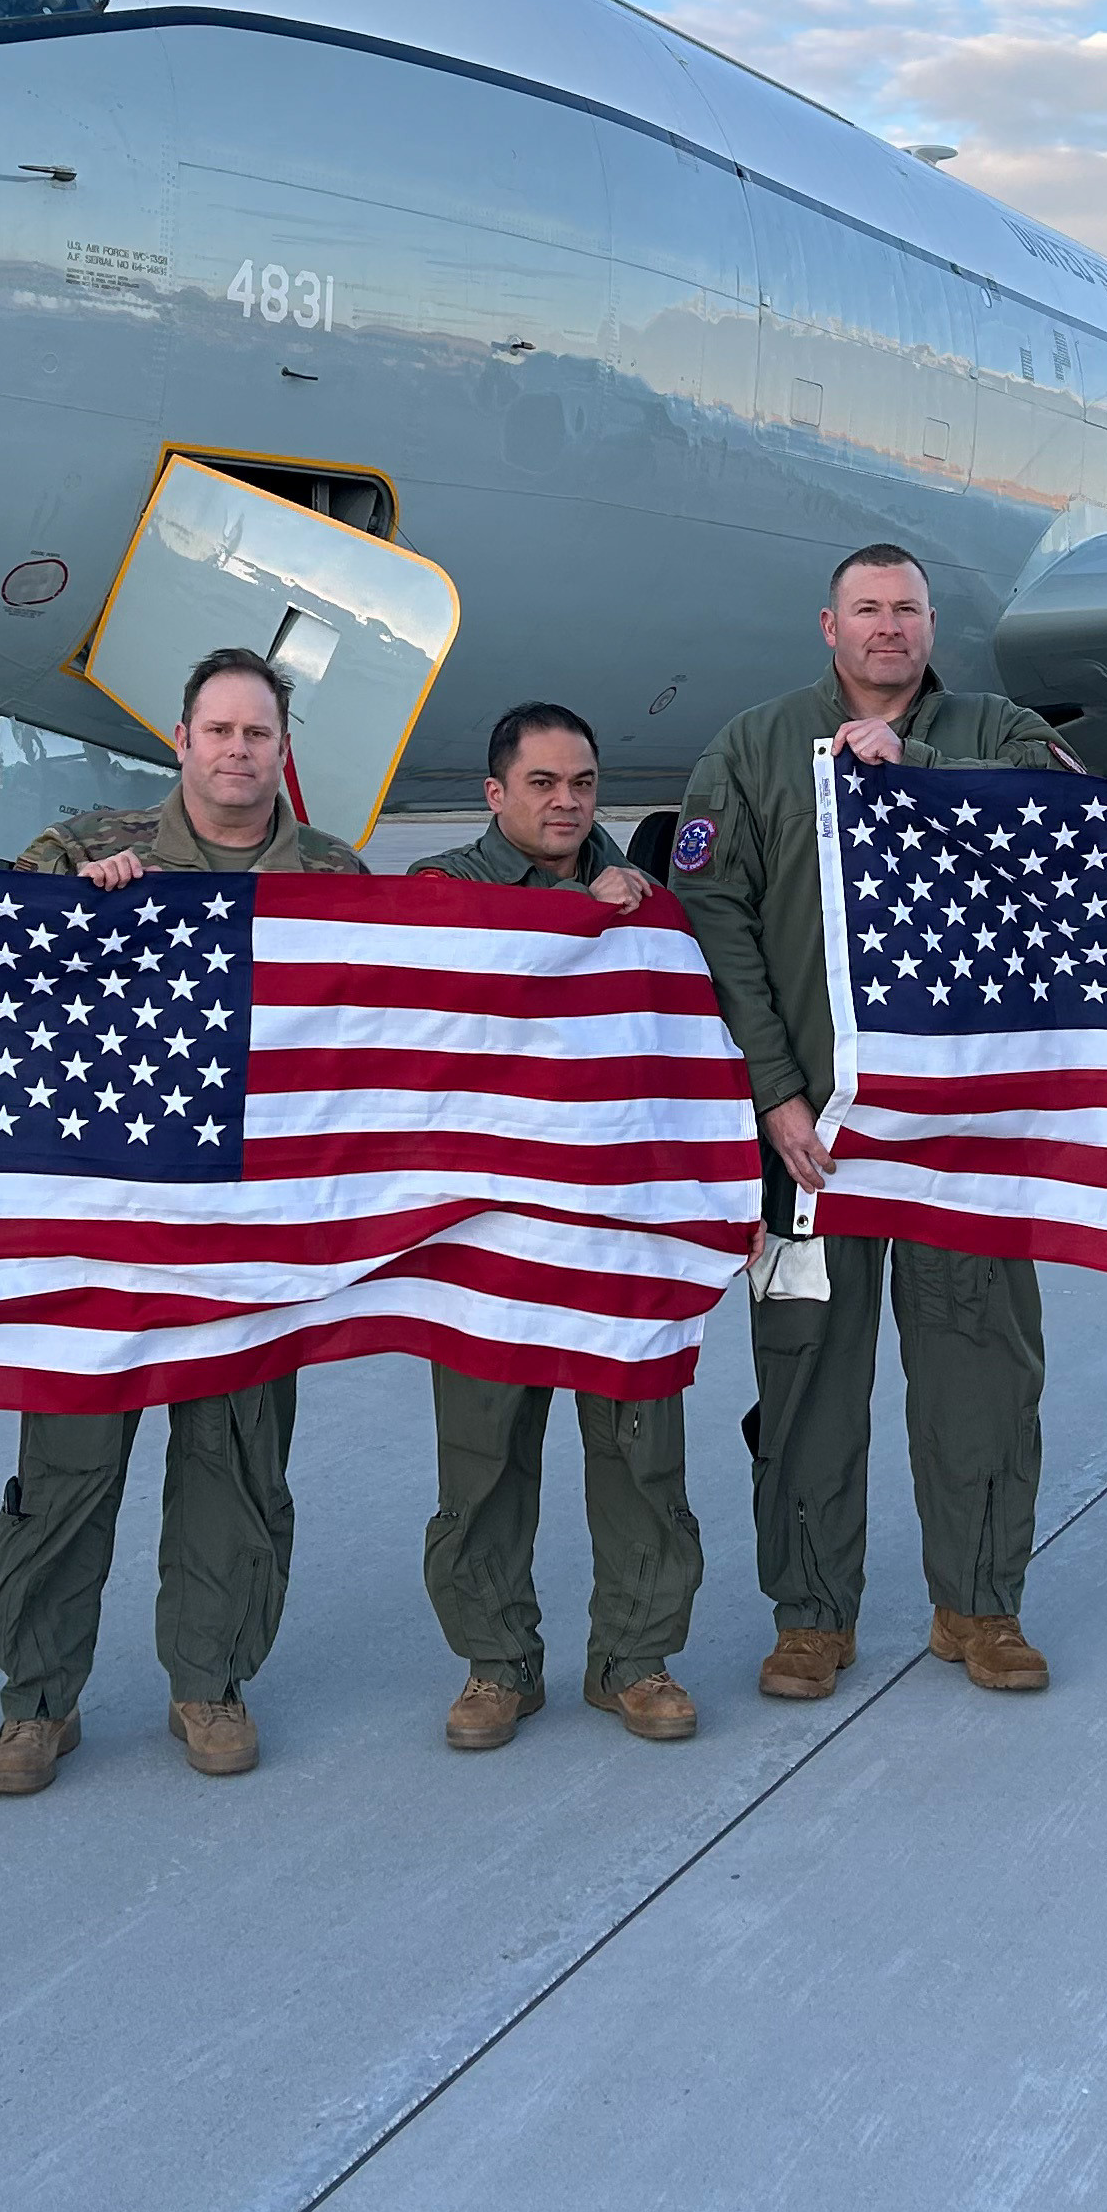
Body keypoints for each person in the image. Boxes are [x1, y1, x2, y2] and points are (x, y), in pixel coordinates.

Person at [671, 544, 1078, 1703]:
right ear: (828, 625)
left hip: (964, 1134)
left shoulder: (1000, 732)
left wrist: (923, 770)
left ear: (932, 624)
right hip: (810, 1139)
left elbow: (1063, 837)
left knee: (983, 1376)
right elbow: (718, 923)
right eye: (867, 610)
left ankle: (981, 1607)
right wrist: (773, 1090)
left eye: (907, 610)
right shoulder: (752, 751)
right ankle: (811, 1616)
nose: (888, 628)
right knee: (806, 1378)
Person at [0, 647, 370, 1795]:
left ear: (282, 750)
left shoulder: (332, 874)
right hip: (103, 1225)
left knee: (235, 1469)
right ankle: (36, 1703)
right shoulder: (89, 853)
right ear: (184, 743)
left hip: (255, 1231)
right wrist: (75, 916)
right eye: (216, 731)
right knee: (67, 1467)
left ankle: (211, 1681)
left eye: (257, 734)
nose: (236, 751)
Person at [405, 702, 704, 1748]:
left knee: (638, 1449)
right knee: (482, 1455)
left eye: (582, 783)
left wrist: (634, 905)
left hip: (619, 1222)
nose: (567, 801)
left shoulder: (648, 907)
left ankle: (636, 1657)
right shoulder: (439, 894)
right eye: (542, 783)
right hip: (486, 1231)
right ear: (496, 794)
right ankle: (498, 1664)